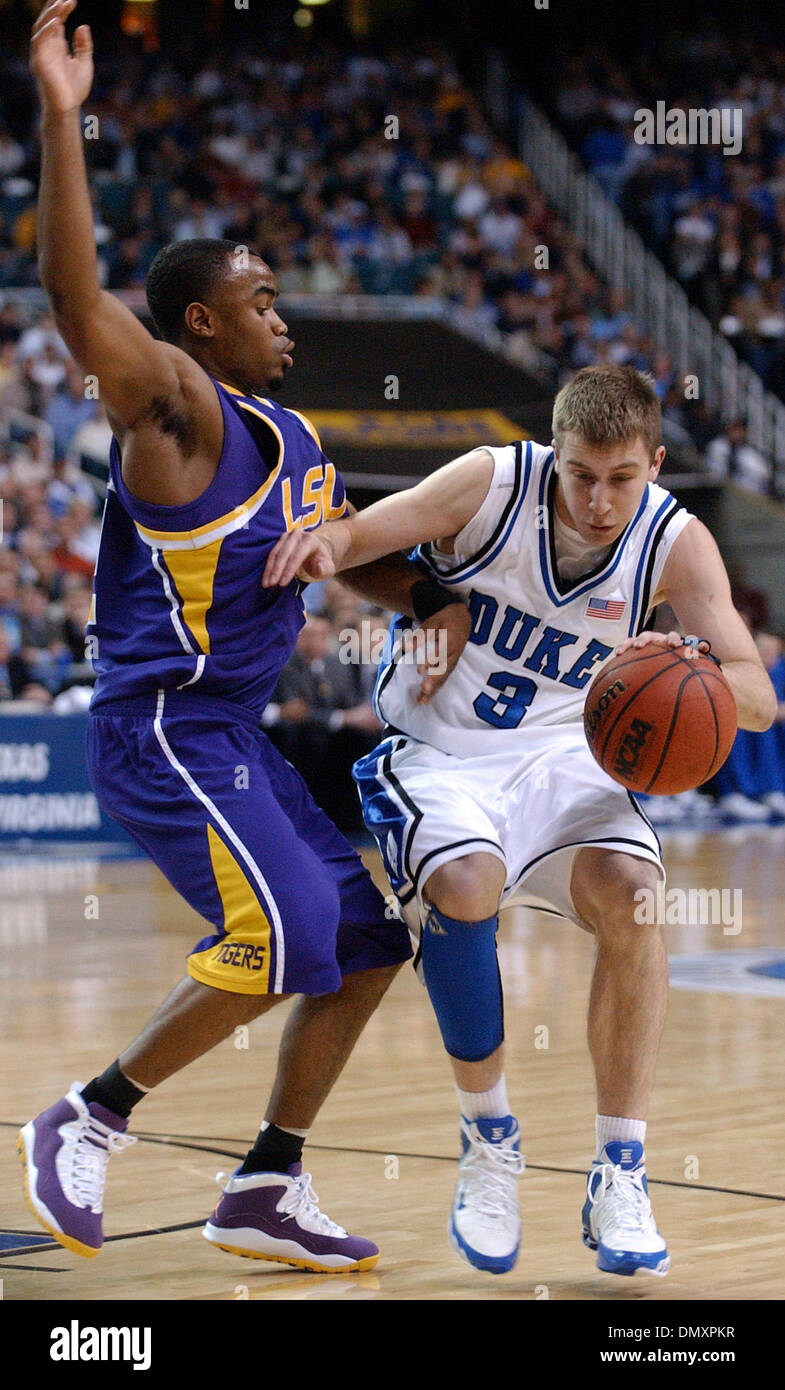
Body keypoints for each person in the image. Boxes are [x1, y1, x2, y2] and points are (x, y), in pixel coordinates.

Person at [19, 0, 470, 1274]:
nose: (283, 318)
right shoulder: (174, 411)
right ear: (201, 325)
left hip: (236, 736)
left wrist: (427, 599)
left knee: (368, 940)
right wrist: (63, 118)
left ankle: (264, 1183)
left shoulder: (301, 443)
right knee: (280, 939)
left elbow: (345, 558)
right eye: (260, 300)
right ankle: (88, 1115)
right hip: (161, 731)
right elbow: (70, 293)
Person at [264, 363, 777, 1278]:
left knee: (636, 896)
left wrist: (686, 654)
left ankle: (621, 1168)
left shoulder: (675, 542)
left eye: (622, 478)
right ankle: (488, 1138)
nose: (597, 498)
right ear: (552, 452)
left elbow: (756, 699)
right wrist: (317, 550)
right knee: (464, 886)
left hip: (563, 761)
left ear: (654, 465)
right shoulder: (489, 483)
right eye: (580, 473)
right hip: (443, 751)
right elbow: (351, 538)